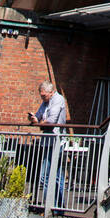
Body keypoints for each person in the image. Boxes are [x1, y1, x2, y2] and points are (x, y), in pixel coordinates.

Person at [27, 80, 66, 208]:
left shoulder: (58, 99)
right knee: (57, 174)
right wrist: (34, 118)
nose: (42, 98)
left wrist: (39, 123)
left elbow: (51, 120)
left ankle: (48, 206)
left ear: (51, 92)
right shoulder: (46, 102)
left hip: (56, 141)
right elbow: (39, 115)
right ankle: (57, 206)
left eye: (44, 95)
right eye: (41, 96)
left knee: (46, 175)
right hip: (48, 141)